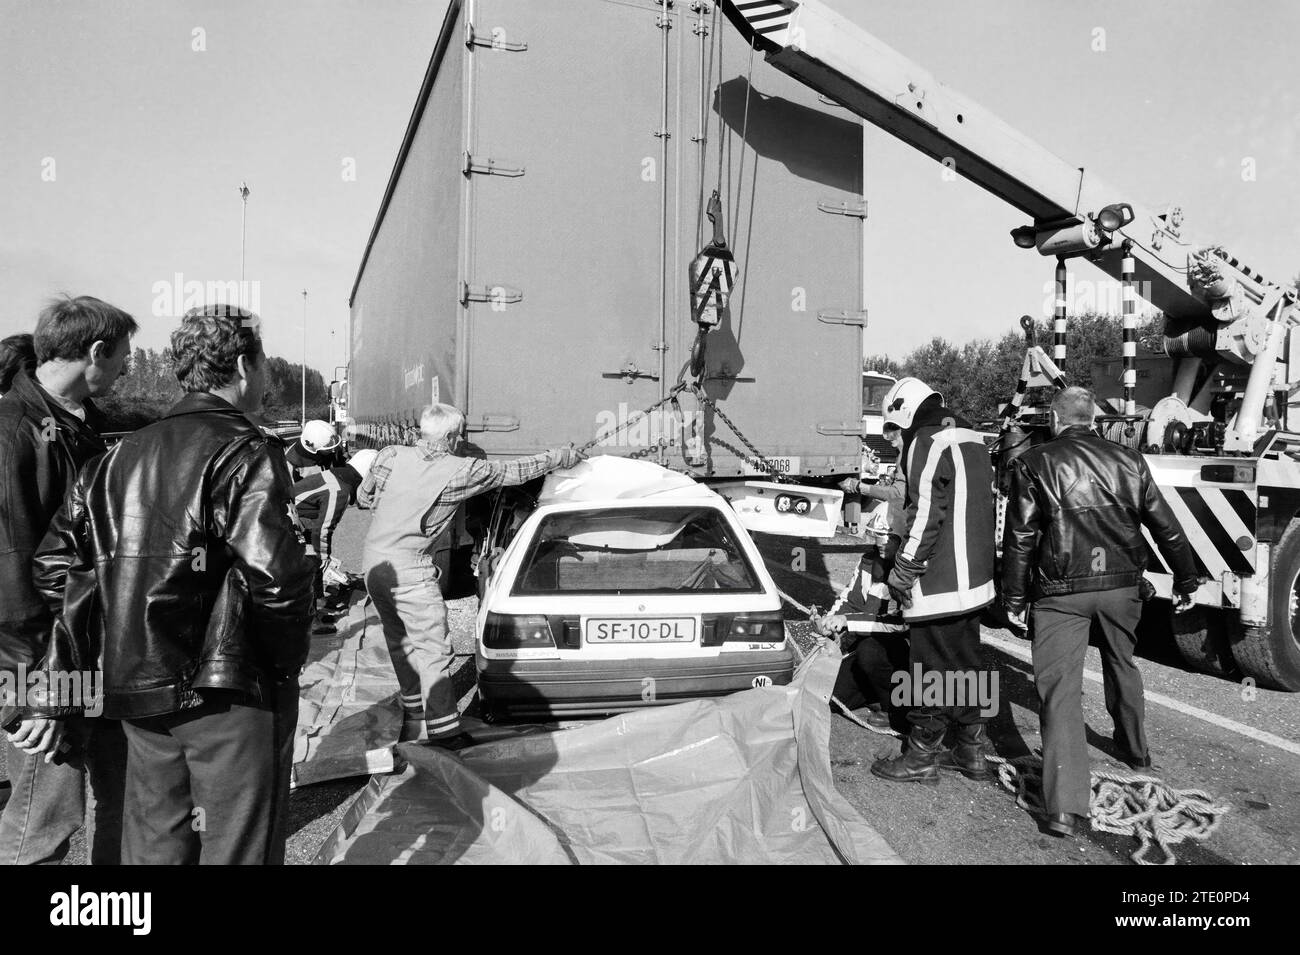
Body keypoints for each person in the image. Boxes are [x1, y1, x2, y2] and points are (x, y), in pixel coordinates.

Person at [33, 304, 317, 864]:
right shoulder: (246, 449)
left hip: (138, 686)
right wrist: (282, 666)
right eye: (261, 365)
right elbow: (278, 579)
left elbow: (56, 570)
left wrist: (119, 634)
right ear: (242, 365)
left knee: (156, 841)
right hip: (227, 691)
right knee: (236, 846)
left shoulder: (113, 459)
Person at [1002, 386, 1198, 837]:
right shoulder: (1129, 460)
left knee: (1060, 691)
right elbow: (1165, 527)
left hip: (1061, 592)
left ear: (1054, 419)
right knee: (1121, 661)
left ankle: (1065, 809)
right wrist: (1186, 580)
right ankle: (1136, 750)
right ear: (1092, 418)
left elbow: (1021, 538)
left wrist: (1013, 600)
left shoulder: (1036, 462)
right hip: (1121, 586)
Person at [359, 403, 582, 747]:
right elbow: (514, 472)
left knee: (398, 638)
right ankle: (445, 731)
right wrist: (559, 457)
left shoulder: (389, 455)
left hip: (374, 561)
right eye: (460, 435)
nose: (461, 440)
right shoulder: (460, 471)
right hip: (409, 565)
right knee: (432, 648)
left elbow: (365, 496)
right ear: (450, 437)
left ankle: (414, 709)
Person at [0, 296, 135, 865]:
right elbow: (9, 578)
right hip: (40, 666)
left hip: (81, 652)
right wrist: (37, 696)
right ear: (95, 352)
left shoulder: (79, 425)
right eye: (124, 358)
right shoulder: (12, 436)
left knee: (119, 796)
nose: (128, 369)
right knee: (43, 815)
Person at [870, 377, 999, 785]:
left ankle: (921, 754)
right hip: (975, 578)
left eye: (893, 429)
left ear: (904, 412)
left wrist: (904, 566)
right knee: (967, 663)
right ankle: (972, 748)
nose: (893, 440)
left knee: (928, 667)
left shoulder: (926, 440)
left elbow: (927, 509)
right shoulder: (971, 436)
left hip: (939, 577)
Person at [822, 427, 909, 730]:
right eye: (878, 536)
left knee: (872, 653)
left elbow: (898, 624)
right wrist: (828, 621)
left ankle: (895, 708)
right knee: (830, 697)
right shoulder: (869, 560)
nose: (882, 542)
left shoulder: (907, 568)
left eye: (888, 537)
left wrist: (849, 624)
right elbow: (849, 598)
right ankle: (872, 690)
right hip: (867, 639)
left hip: (898, 651)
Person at [293, 448, 378, 628]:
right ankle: (310, 620)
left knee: (313, 559)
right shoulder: (340, 489)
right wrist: (323, 557)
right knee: (311, 561)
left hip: (296, 518)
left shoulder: (336, 476)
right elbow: (323, 529)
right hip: (287, 520)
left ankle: (316, 605)